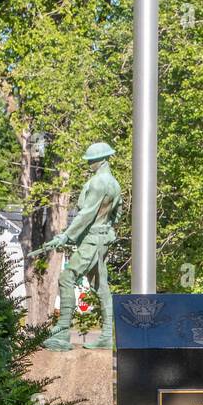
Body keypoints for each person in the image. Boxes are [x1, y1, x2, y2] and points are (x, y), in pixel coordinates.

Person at [32, 142, 122, 350]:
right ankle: (107, 335)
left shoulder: (99, 183)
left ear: (102, 160)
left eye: (91, 160)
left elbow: (86, 214)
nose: (89, 164)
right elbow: (117, 214)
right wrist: (105, 230)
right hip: (101, 238)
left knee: (67, 277)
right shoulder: (115, 184)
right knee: (101, 287)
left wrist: (65, 236)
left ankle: (63, 332)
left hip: (92, 240)